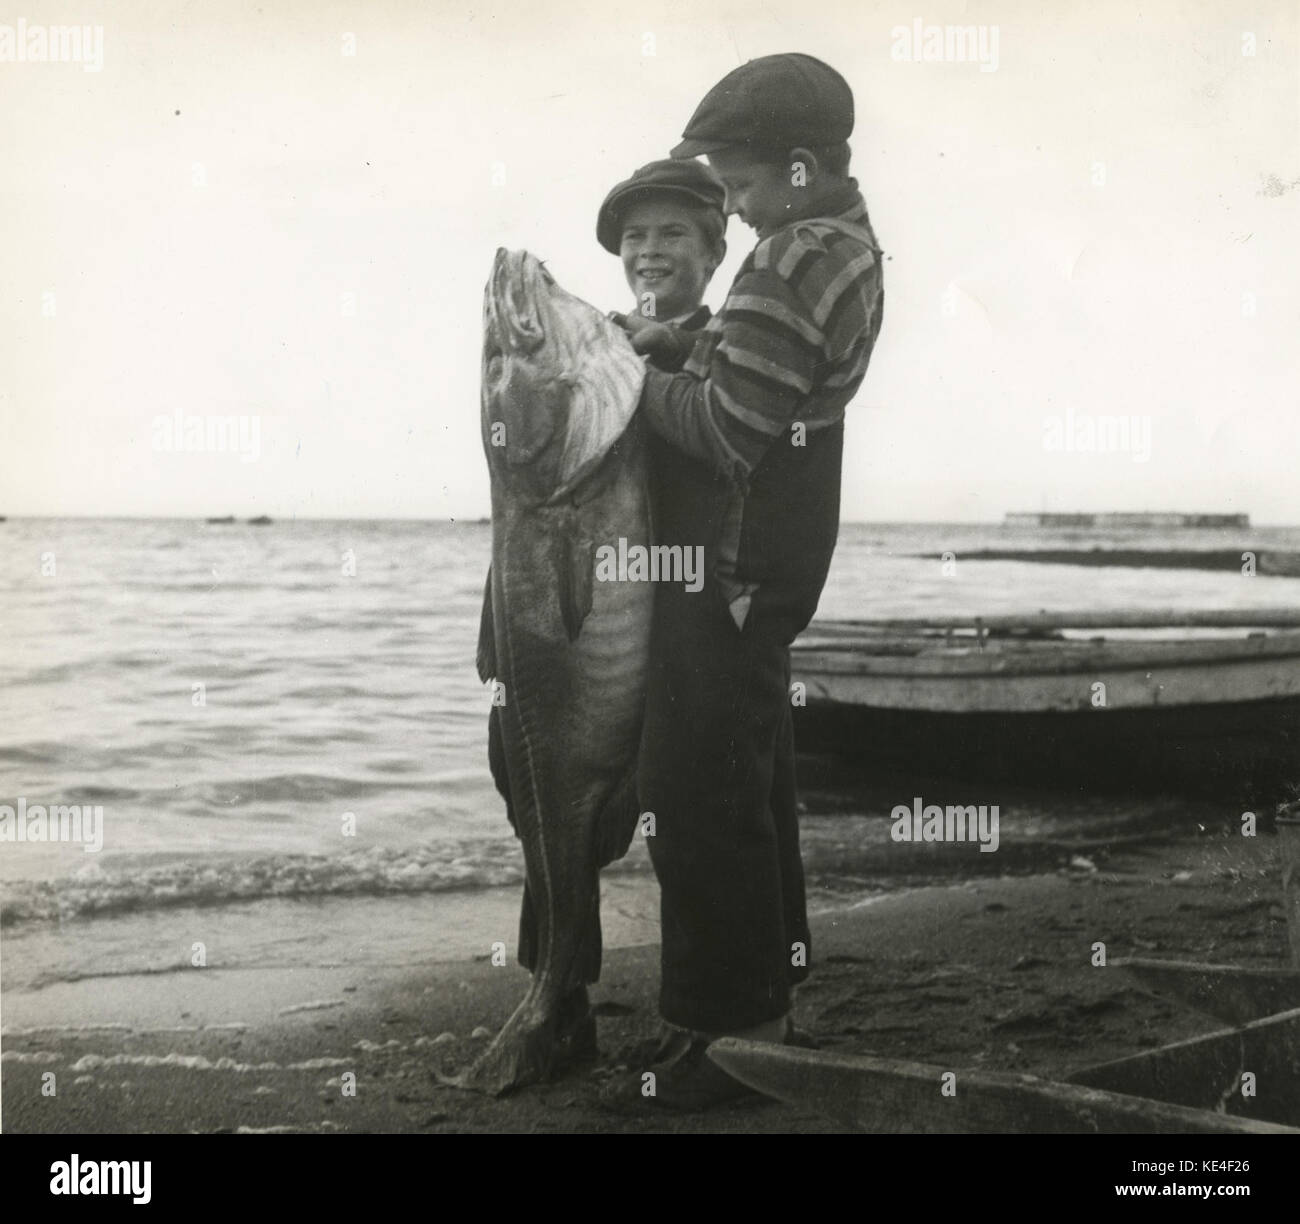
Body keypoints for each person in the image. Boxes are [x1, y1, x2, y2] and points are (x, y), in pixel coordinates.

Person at [627, 53, 886, 1110]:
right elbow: (752, 362)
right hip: (777, 565)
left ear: (794, 166)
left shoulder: (783, 259)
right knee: (754, 784)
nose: (729, 205)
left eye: (734, 188)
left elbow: (726, 430)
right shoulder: (840, 246)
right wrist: (677, 339)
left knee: (693, 795)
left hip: (730, 565)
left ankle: (727, 1038)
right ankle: (770, 1006)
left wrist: (632, 380)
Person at [485, 158, 728, 1065]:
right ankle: (557, 992)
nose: (650, 252)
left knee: (682, 817)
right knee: (536, 794)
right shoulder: (608, 357)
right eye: (636, 238)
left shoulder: (723, 344)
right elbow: (526, 500)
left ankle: (716, 1014)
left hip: (684, 628)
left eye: (673, 234)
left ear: (716, 246)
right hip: (559, 621)